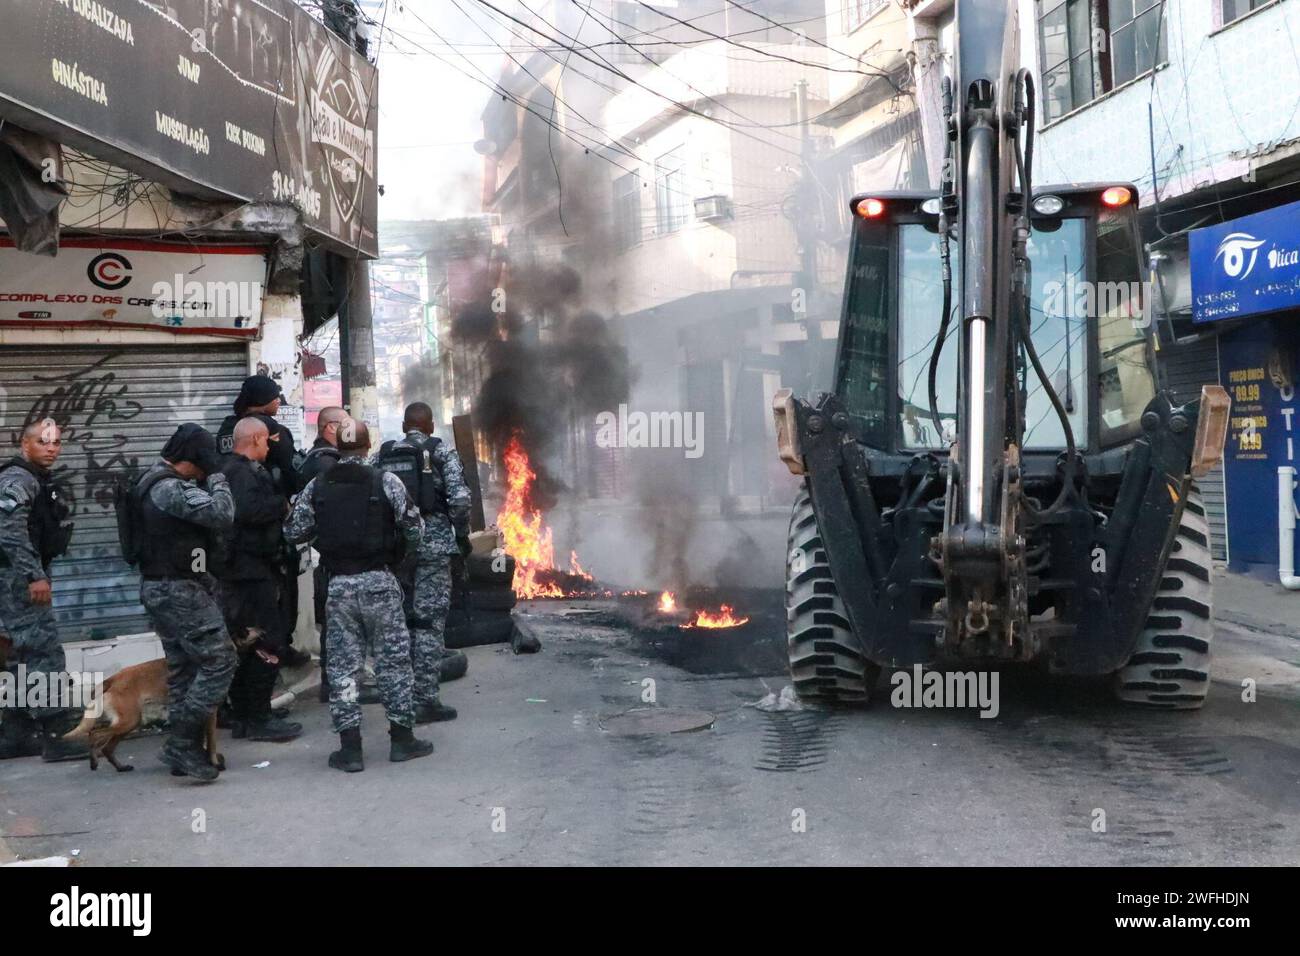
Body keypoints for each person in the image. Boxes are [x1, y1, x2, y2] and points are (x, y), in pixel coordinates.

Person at [284, 419, 433, 773]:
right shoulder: (386, 481)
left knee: (343, 669)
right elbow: (415, 528)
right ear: (368, 447)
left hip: (339, 586)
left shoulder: (317, 485)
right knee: (393, 663)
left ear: (338, 447)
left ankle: (350, 750)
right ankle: (402, 740)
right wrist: (399, 557)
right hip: (379, 583)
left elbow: (293, 532)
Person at [133, 424, 237, 782]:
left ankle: (185, 751)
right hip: (178, 589)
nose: (206, 471)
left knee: (183, 670)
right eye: (205, 464)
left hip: (163, 586)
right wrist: (221, 478)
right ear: (191, 459)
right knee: (221, 660)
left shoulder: (150, 481)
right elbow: (222, 514)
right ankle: (181, 743)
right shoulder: (169, 487)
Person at [376, 402, 471, 724]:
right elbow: (459, 500)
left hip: (399, 550)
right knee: (428, 624)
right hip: (435, 547)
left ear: (404, 425)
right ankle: (426, 700)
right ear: (429, 425)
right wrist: (460, 535)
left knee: (399, 624)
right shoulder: (441, 452)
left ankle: (399, 699)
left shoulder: (385, 454)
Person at [0, 419, 86, 762]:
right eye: (43, 442)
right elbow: (8, 532)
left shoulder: (32, 478)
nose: (51, 448)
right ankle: (58, 733)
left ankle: (16, 733)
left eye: (56, 443)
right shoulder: (17, 479)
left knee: (23, 655)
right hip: (18, 579)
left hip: (18, 576)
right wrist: (33, 575)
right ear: (25, 445)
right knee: (44, 653)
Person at [217, 374, 310, 669]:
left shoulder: (225, 430)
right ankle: (279, 651)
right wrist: (281, 503)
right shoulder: (271, 431)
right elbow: (293, 474)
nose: (279, 402)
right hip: (266, 534)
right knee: (276, 604)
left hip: (231, 546)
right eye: (275, 397)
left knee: (242, 615)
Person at [217, 417, 301, 742]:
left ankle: (249, 713)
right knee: (269, 641)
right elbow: (247, 511)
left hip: (248, 571)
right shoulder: (239, 472)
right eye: (267, 441)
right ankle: (258, 718)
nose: (269, 447)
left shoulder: (233, 470)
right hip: (248, 574)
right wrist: (280, 505)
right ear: (254, 439)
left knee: (250, 644)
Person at [300, 405, 345, 703]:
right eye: (345, 424)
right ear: (330, 427)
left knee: (337, 625)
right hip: (337, 558)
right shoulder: (325, 464)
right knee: (339, 627)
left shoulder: (318, 460)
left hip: (330, 555)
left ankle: (336, 684)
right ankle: (337, 686)